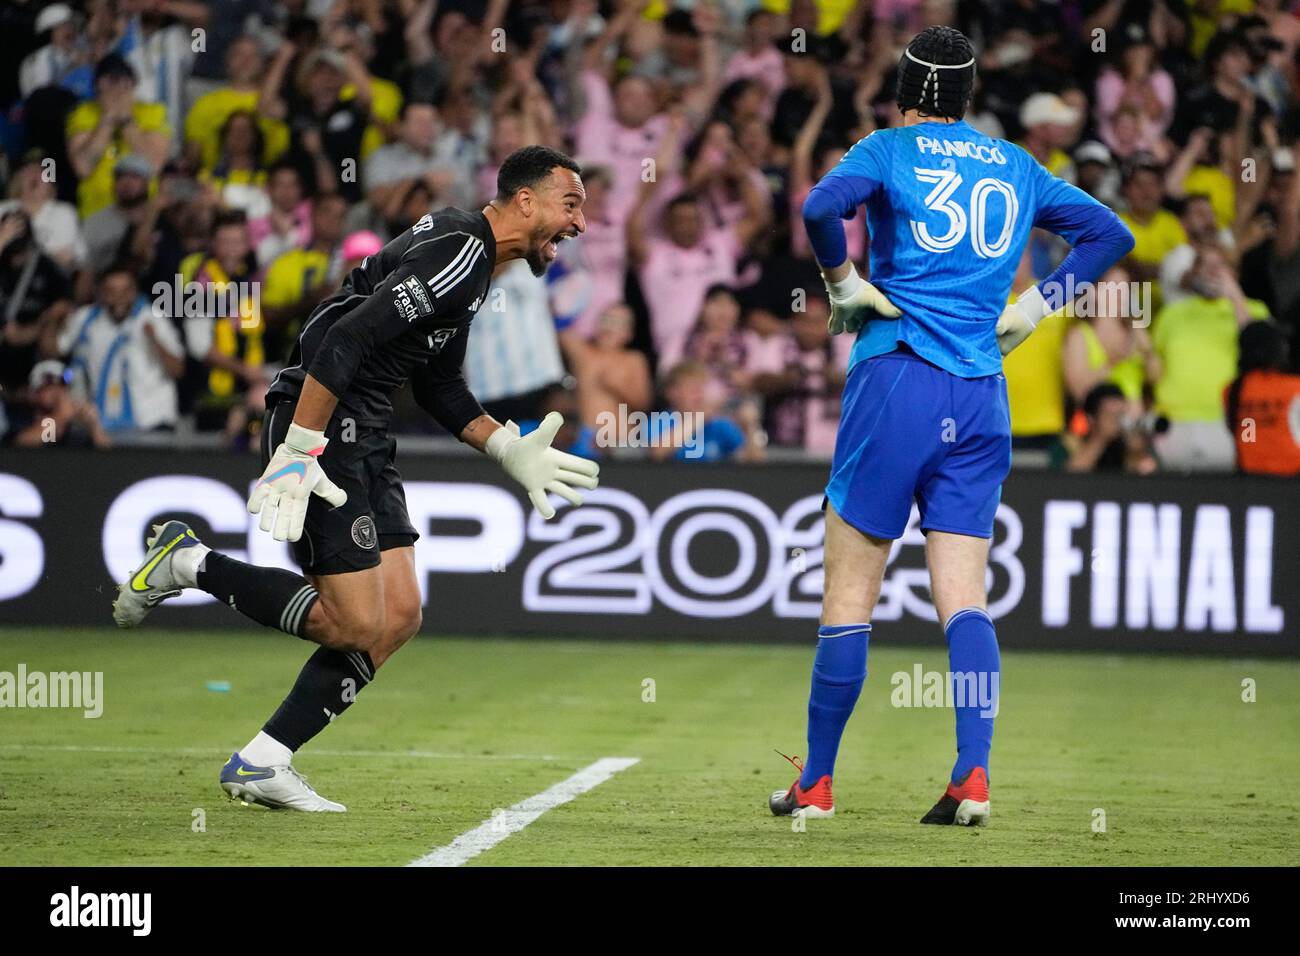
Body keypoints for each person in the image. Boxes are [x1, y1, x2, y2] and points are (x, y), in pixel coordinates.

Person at [110, 146, 600, 813]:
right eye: (570, 205)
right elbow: (343, 340)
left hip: (363, 430)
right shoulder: (460, 249)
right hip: (325, 424)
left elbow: (441, 384)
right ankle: (190, 563)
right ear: (524, 201)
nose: (578, 225)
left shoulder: (473, 262)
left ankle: (264, 761)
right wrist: (299, 450)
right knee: (352, 623)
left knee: (397, 617)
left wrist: (506, 450)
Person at [774, 26, 1133, 826]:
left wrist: (845, 283)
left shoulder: (888, 148)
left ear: (902, 92)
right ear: (970, 99)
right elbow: (1112, 234)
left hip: (897, 374)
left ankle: (819, 783)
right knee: (965, 597)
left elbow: (818, 206)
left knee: (849, 592)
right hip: (981, 394)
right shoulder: (1014, 164)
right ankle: (973, 774)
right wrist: (1035, 307)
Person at [1225, 320, 1300, 476]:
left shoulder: (1233, 390)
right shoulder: (1294, 387)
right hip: (1292, 475)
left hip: (1251, 475)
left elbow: (1248, 437)